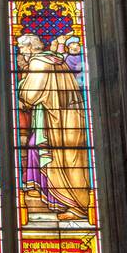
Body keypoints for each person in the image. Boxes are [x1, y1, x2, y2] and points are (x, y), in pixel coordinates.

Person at [16, 34, 91, 220]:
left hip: (56, 119)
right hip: (65, 115)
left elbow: (31, 94)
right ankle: (48, 193)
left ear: (31, 48)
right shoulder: (54, 59)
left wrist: (19, 87)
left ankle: (76, 204)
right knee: (44, 150)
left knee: (63, 158)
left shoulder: (39, 63)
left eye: (22, 48)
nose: (21, 51)